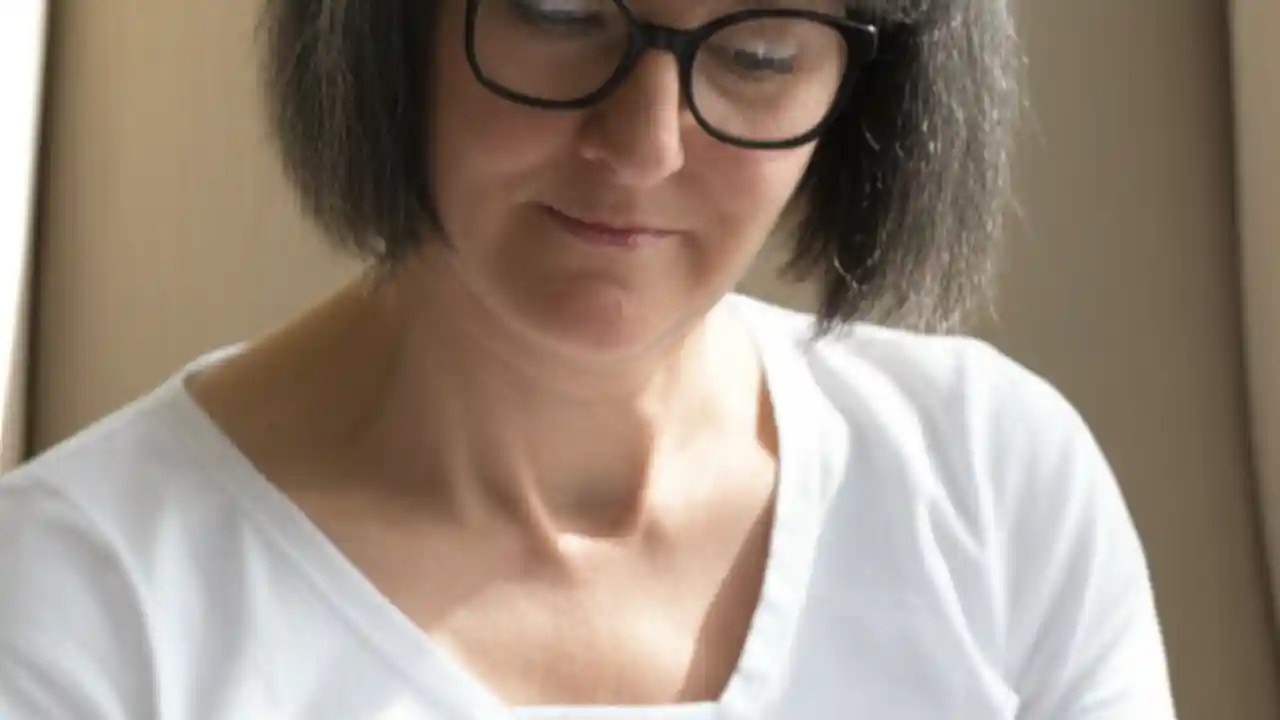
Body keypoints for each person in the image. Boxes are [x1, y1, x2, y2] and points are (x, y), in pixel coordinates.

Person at [0, 0, 1177, 717]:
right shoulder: (82, 598)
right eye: (561, 13)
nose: (643, 144)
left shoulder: (991, 485)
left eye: (759, 53)